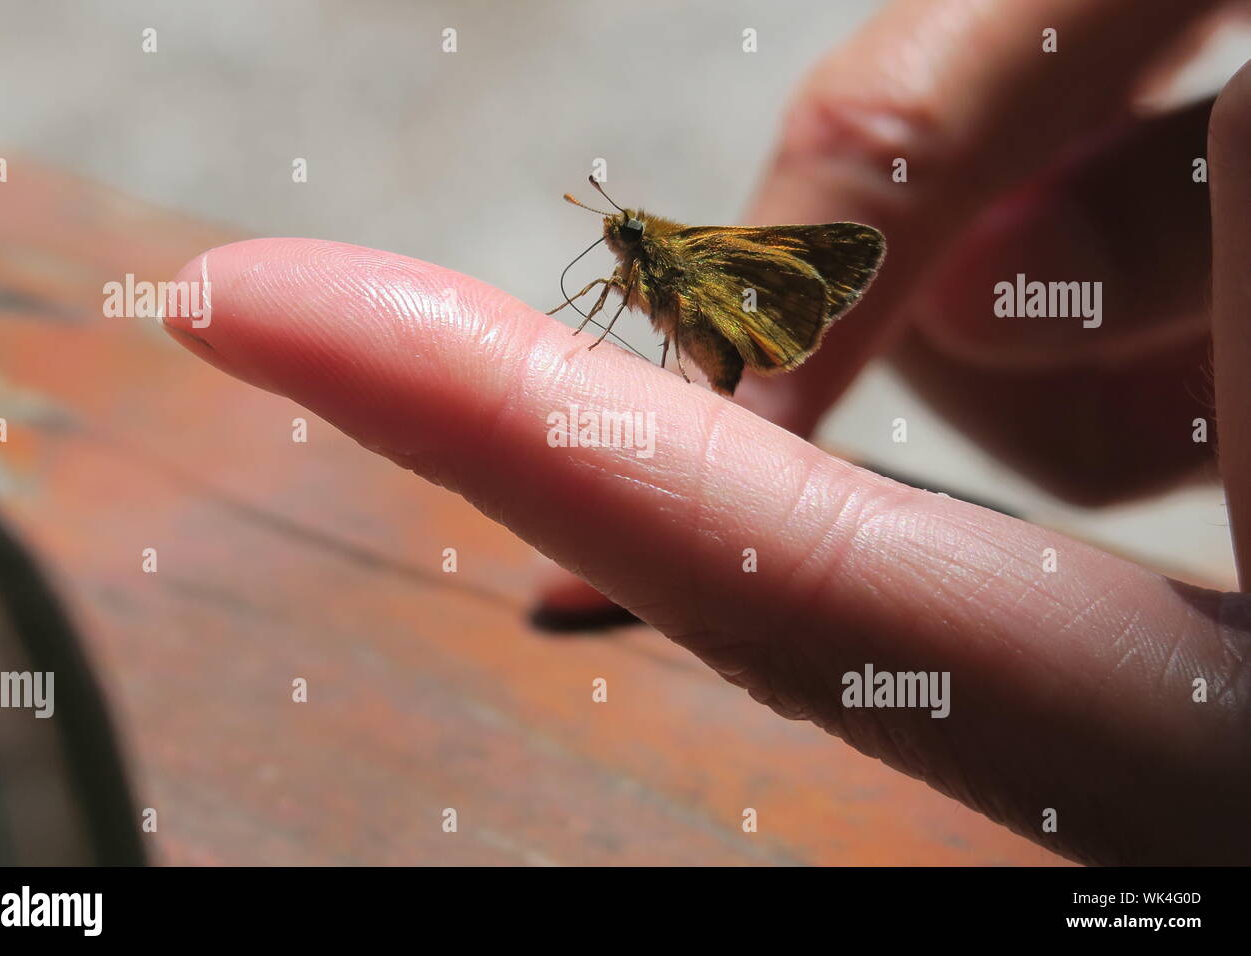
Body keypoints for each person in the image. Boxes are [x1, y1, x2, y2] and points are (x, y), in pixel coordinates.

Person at [162, 0, 1251, 865]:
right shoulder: (640, 257)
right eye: (618, 231)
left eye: (620, 228)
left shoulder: (670, 253)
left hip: (745, 331)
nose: (616, 240)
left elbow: (681, 272)